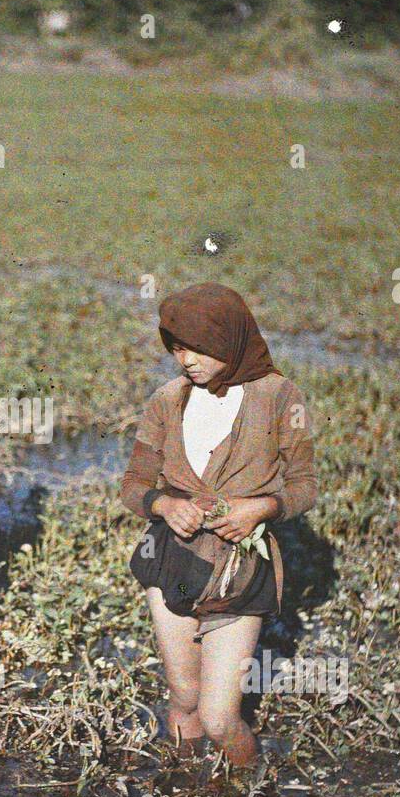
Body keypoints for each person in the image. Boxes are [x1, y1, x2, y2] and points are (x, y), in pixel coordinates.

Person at [120, 283, 318, 766]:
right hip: (172, 558)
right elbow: (133, 485)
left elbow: (306, 485)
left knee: (219, 717)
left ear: (231, 340)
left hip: (240, 568)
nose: (186, 359)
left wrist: (261, 508)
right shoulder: (168, 400)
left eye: (200, 347)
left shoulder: (277, 395)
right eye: (178, 347)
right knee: (184, 699)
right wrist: (164, 506)